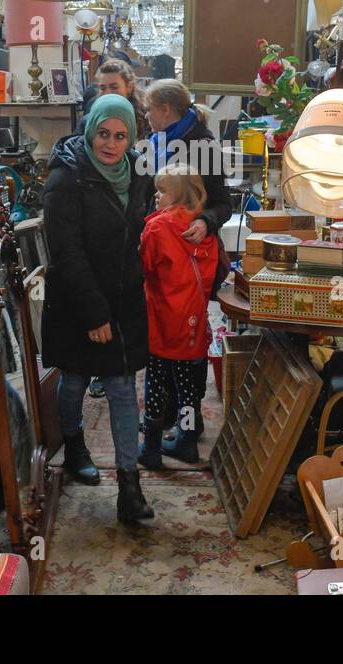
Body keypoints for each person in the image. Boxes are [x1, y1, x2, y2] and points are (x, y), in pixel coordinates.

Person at [40, 93, 155, 524]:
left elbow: (141, 228)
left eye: (120, 136)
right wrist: (93, 314)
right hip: (78, 300)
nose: (111, 143)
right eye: (103, 134)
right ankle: (74, 445)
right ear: (90, 131)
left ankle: (130, 488)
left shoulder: (139, 171)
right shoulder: (65, 179)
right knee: (74, 381)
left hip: (124, 300)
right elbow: (66, 252)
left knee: (123, 388)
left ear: (131, 137)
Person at [142, 79, 232, 435]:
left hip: (192, 259)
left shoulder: (203, 144)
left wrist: (205, 221)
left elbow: (223, 203)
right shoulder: (154, 142)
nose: (146, 116)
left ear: (166, 110)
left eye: (149, 110)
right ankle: (166, 416)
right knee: (161, 343)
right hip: (163, 257)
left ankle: (187, 422)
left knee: (189, 345)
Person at [138, 163, 218, 468]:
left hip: (164, 316)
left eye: (162, 190)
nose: (156, 196)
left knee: (156, 381)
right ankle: (186, 440)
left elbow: (144, 267)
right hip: (193, 316)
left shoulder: (158, 228)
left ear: (179, 193)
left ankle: (151, 446)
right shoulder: (202, 229)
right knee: (187, 385)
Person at [79, 58, 148, 401]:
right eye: (101, 87)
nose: (111, 142)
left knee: (122, 370)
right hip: (94, 267)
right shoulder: (82, 153)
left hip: (127, 274)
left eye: (113, 87)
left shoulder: (140, 152)